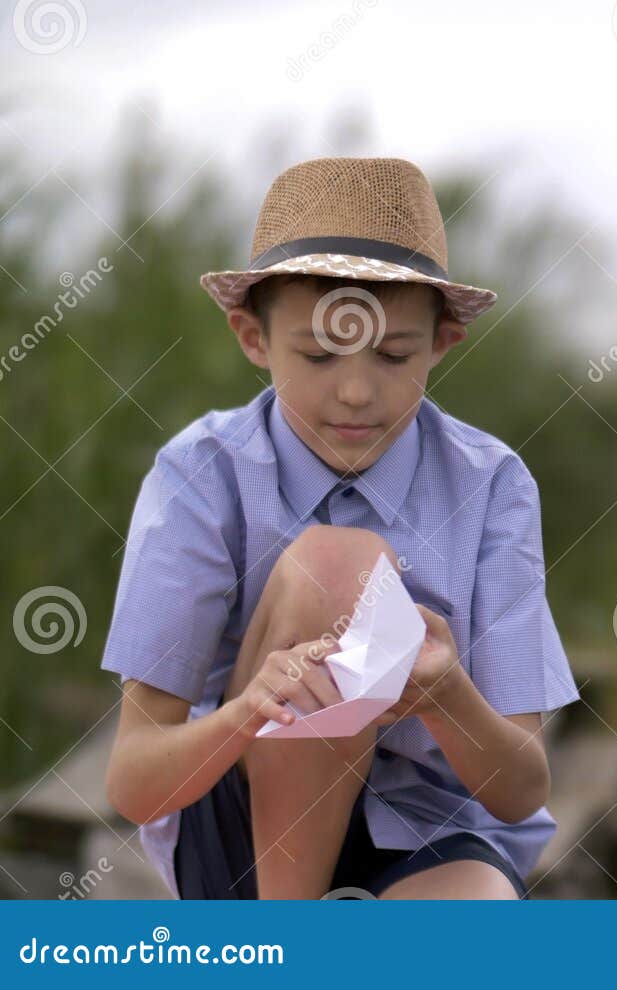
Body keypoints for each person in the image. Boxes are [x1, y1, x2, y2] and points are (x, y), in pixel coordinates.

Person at [100, 156, 579, 899]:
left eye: (394, 355)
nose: (356, 392)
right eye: (318, 354)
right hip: (241, 842)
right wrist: (248, 712)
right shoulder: (200, 474)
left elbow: (521, 789)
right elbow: (134, 783)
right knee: (339, 565)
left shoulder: (493, 484)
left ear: (443, 342)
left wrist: (447, 694)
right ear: (252, 339)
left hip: (426, 830)